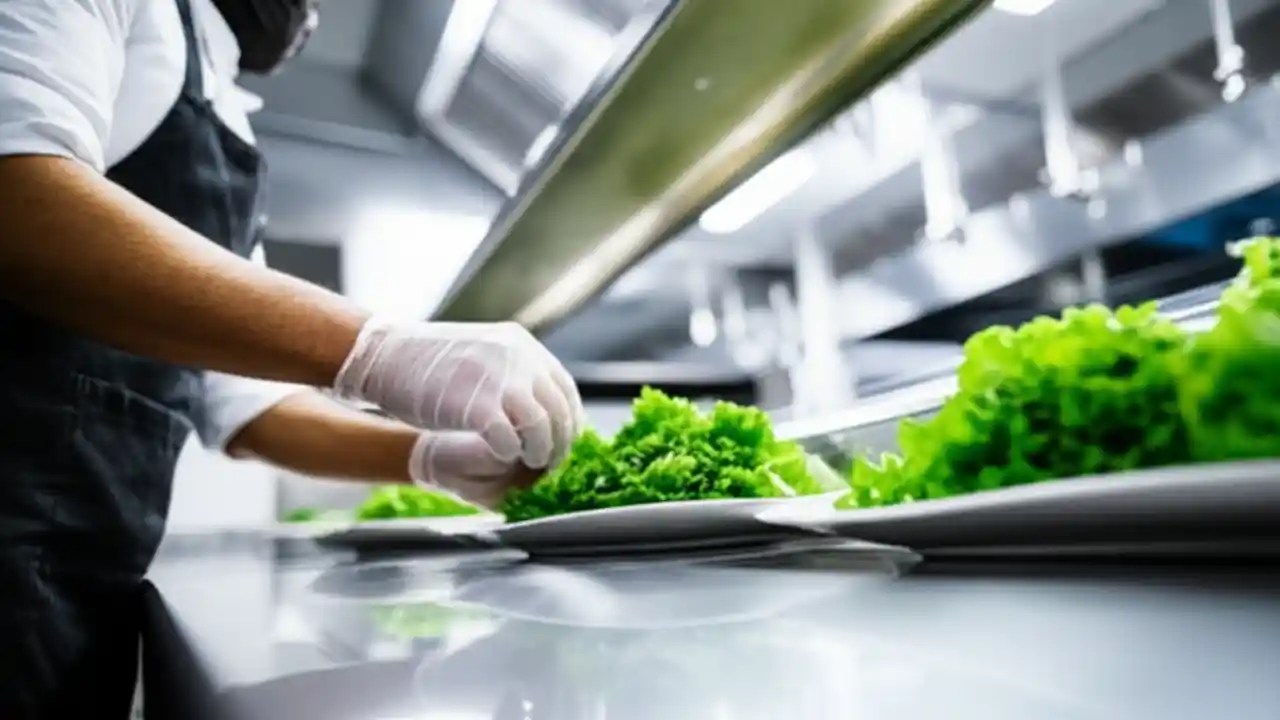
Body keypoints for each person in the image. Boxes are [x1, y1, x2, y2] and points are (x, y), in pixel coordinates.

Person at [0, 0, 585, 716]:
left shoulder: (226, 112)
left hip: (83, 566)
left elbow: (240, 403)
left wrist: (428, 455)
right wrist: (378, 345)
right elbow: (17, 197)